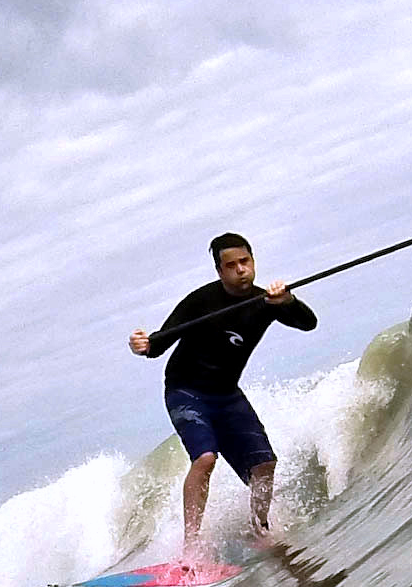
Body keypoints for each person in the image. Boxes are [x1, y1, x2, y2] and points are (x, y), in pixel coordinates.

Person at [129, 233, 317, 558]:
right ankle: (192, 549)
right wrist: (142, 344)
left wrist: (288, 301)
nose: (240, 270)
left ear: (253, 262)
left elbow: (308, 323)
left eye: (245, 262)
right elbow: (158, 344)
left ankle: (259, 529)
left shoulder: (265, 302)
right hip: (185, 391)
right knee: (205, 458)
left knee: (264, 464)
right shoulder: (200, 302)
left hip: (227, 394)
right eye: (231, 265)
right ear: (220, 271)